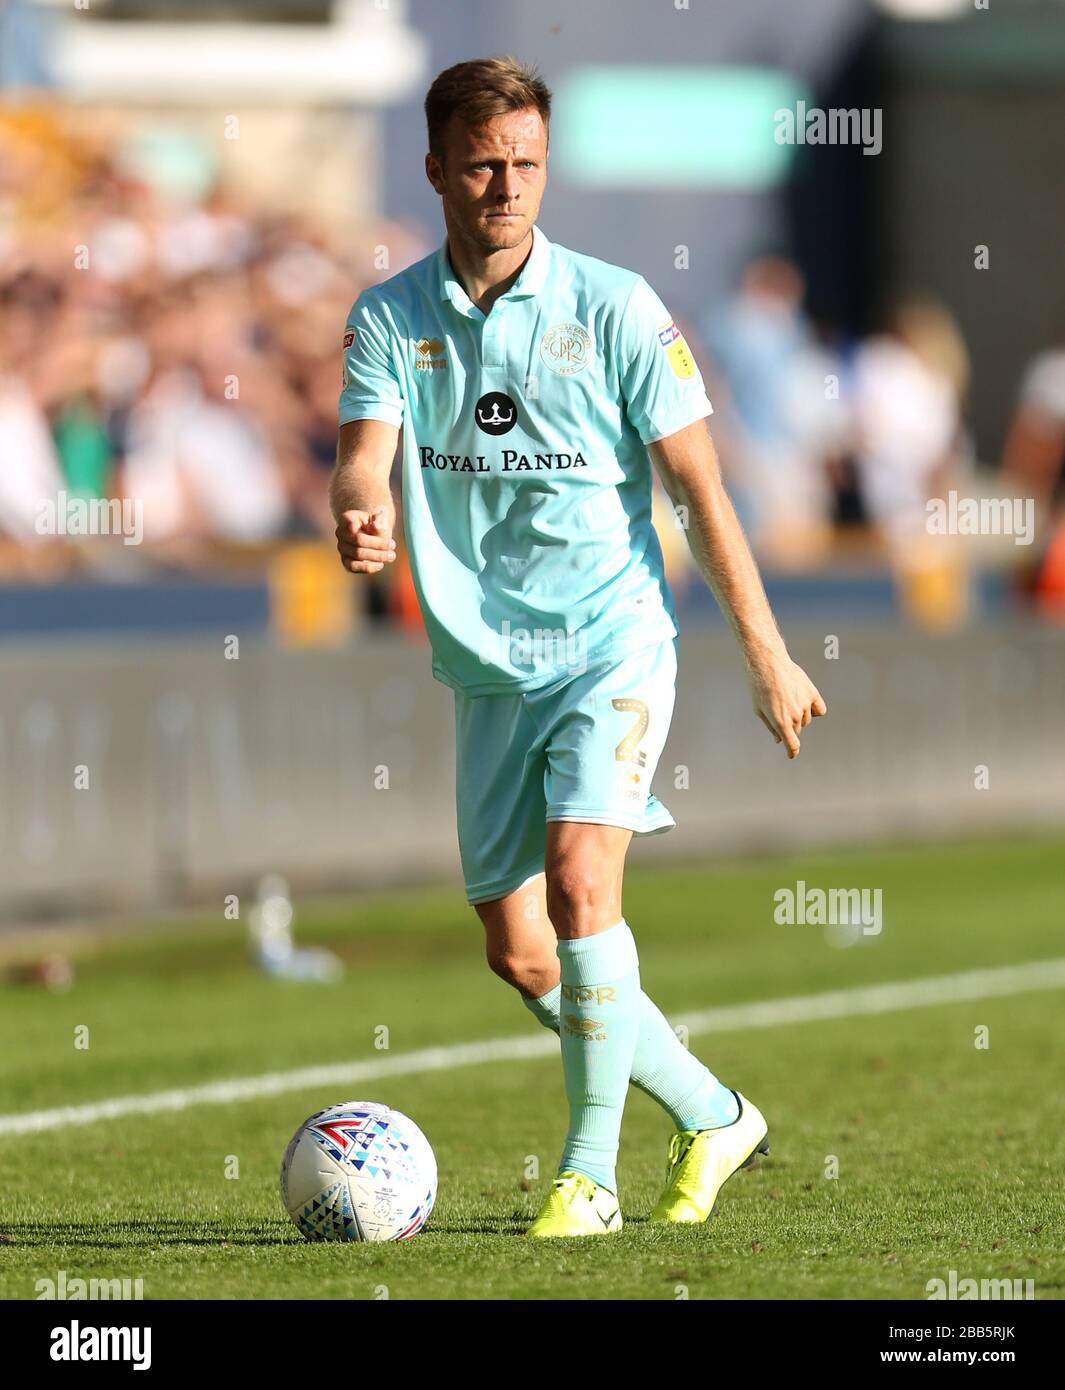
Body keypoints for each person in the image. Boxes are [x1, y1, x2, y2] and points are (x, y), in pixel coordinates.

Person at [330, 57, 826, 1238]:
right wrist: (361, 504)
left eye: (529, 164)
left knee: (579, 884)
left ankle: (588, 1177)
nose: (509, 186)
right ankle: (713, 1111)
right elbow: (361, 450)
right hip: (487, 666)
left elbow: (702, 492)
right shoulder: (390, 316)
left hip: (611, 640)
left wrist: (768, 654)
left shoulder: (617, 304)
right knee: (522, 952)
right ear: (439, 166)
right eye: (487, 164)